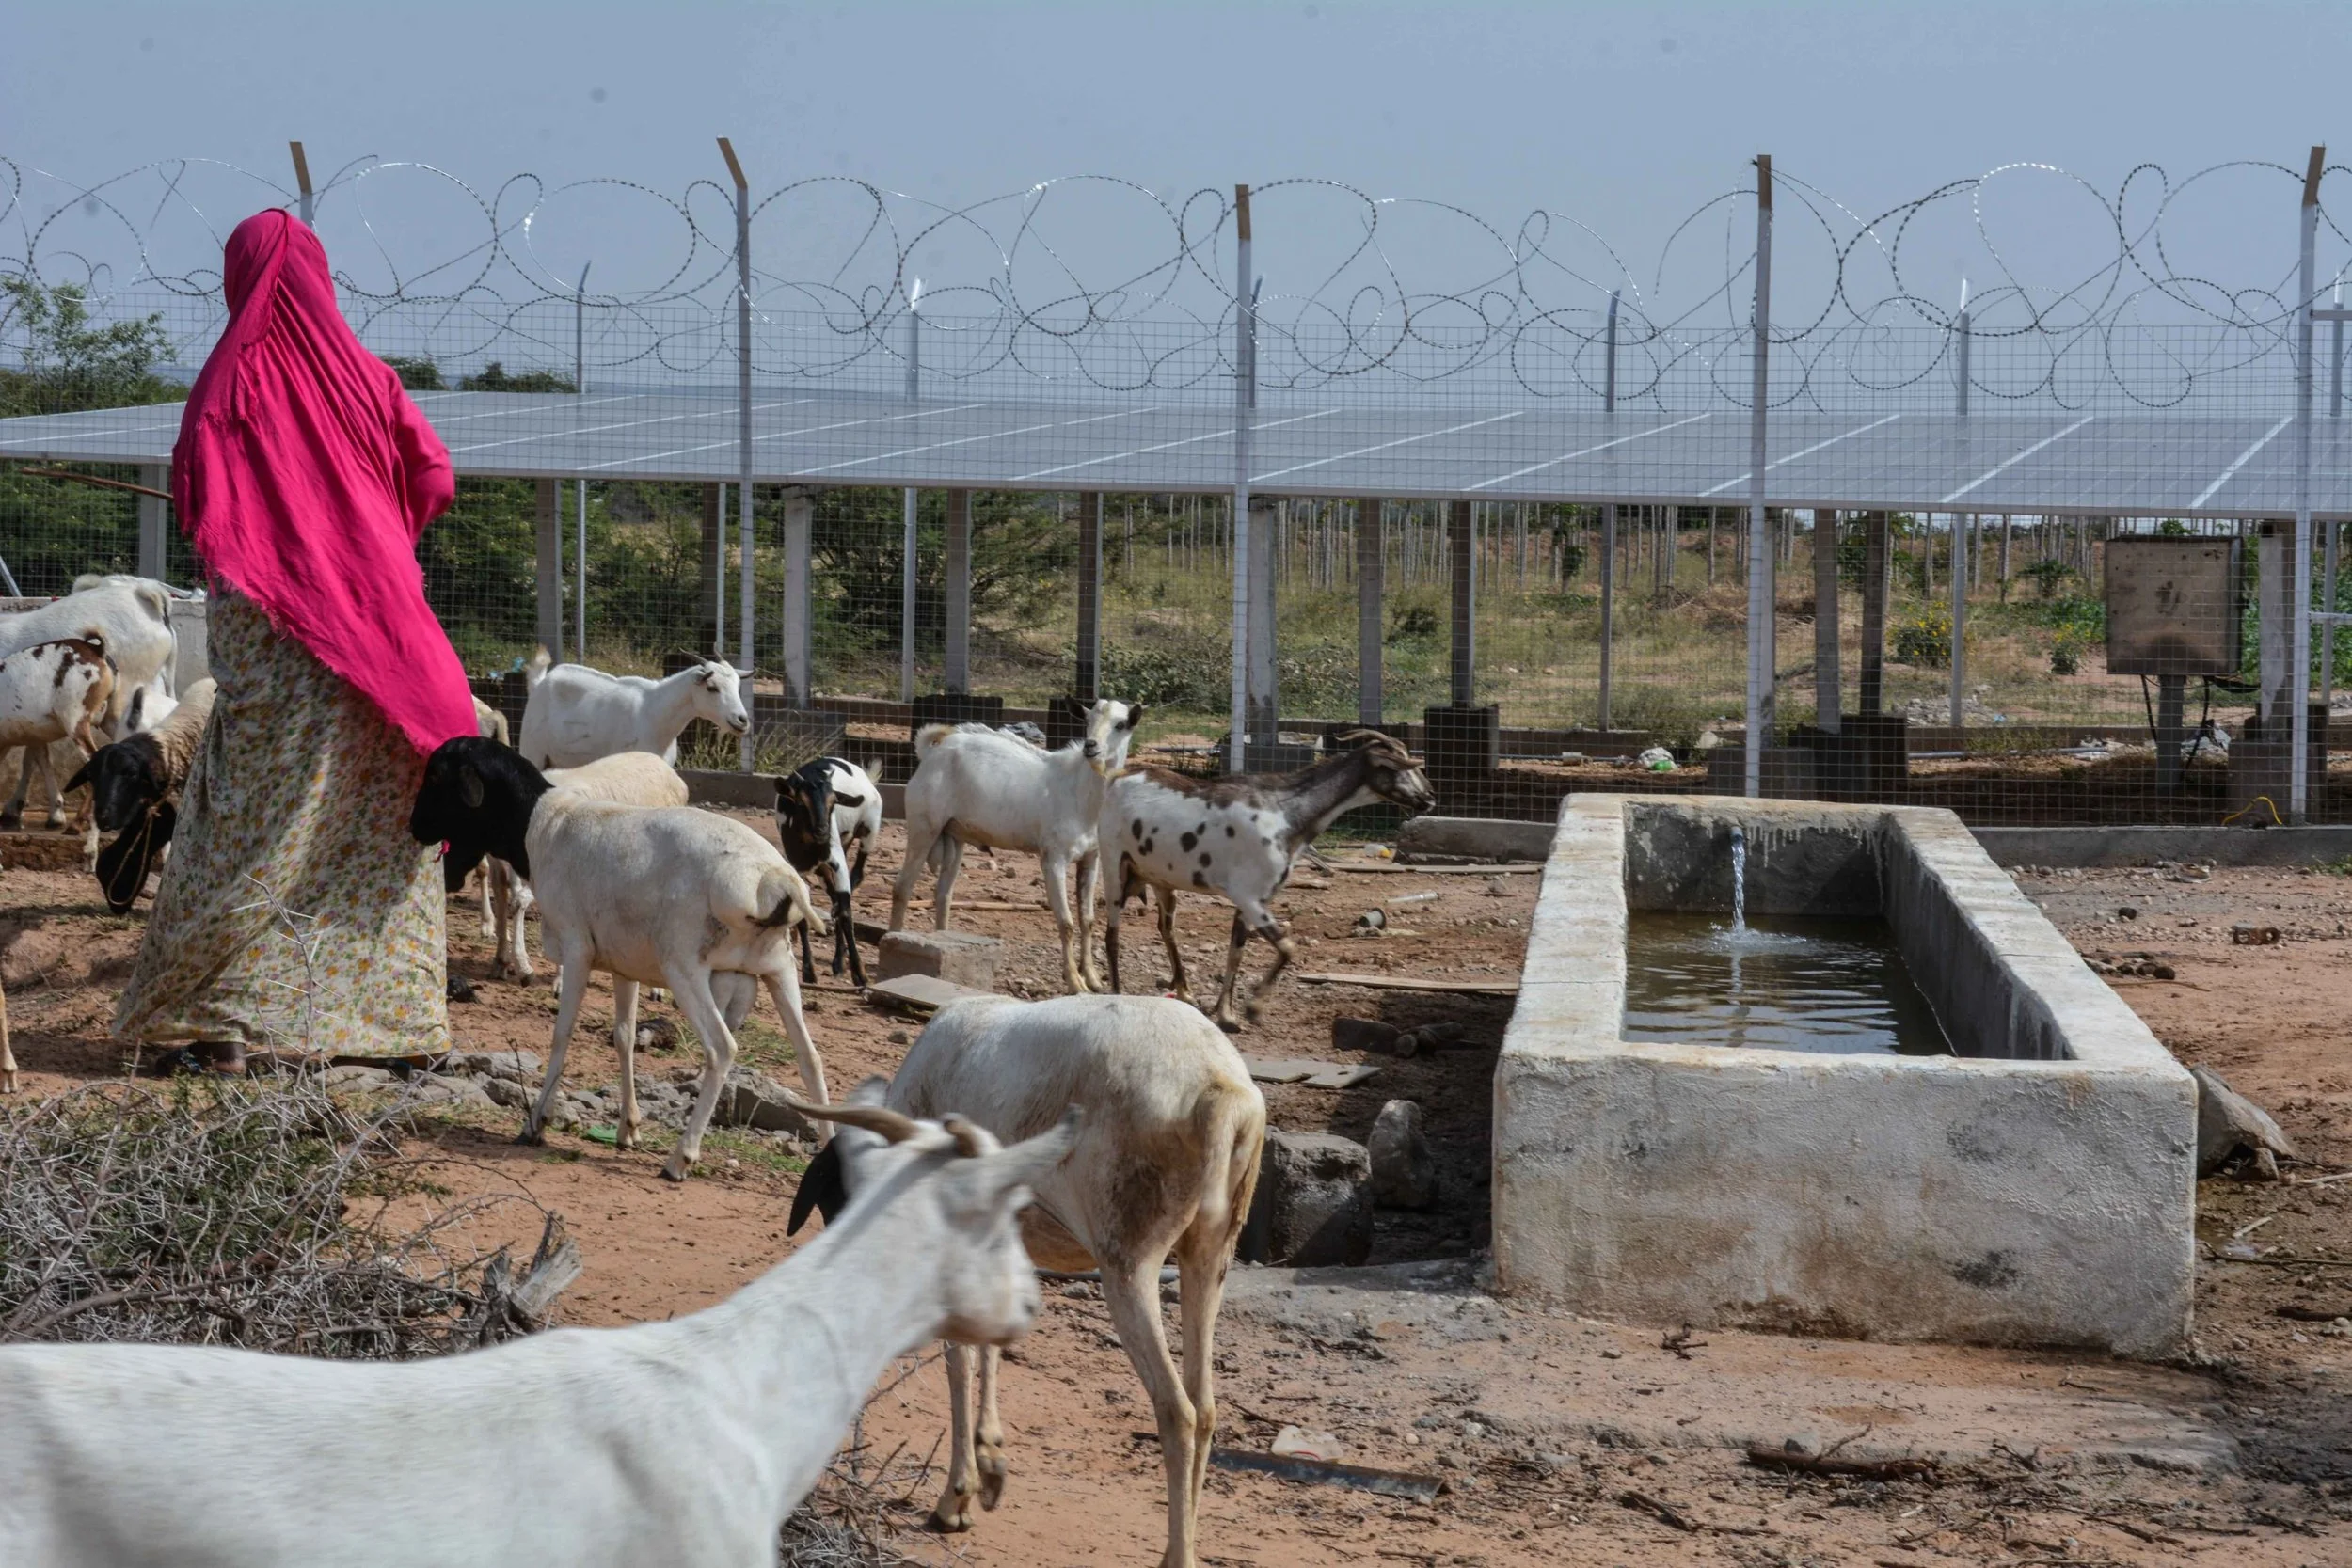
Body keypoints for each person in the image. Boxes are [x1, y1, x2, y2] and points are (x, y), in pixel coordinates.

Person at [115, 209, 480, 1073]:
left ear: (239, 277)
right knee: (373, 822)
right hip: (376, 630)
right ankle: (385, 1029)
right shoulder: (367, 377)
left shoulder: (226, 381)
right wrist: (373, 543)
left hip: (270, 631)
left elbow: (202, 495)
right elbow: (435, 473)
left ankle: (217, 1025)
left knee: (244, 818)